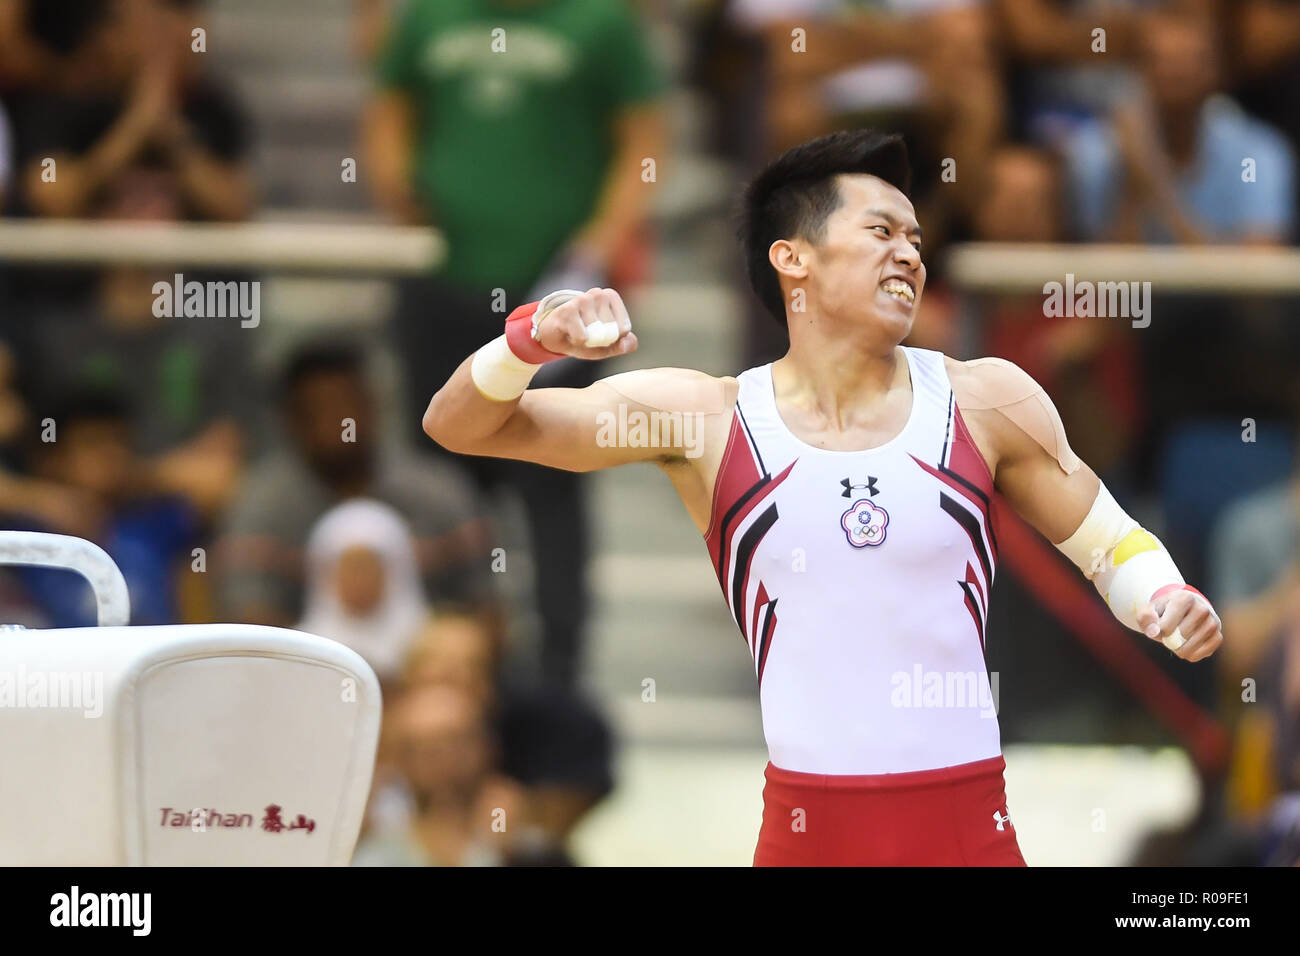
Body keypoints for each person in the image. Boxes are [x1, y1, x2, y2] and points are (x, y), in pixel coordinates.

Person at [421, 128, 1225, 865]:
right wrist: (527, 340)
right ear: (793, 258)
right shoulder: (707, 419)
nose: (909, 254)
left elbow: (1111, 544)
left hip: (967, 831)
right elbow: (462, 425)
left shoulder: (987, 402)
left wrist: (1160, 596)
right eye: (881, 231)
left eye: (915, 238)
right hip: (808, 834)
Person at [363, 0, 668, 688]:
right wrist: (400, 189)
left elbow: (644, 143)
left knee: (554, 479)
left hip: (558, 293)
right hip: (444, 283)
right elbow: (389, 112)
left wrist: (598, 243)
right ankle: (447, 671)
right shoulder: (427, 17)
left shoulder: (602, 23)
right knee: (441, 478)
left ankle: (561, 673)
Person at [298, 498, 431, 688]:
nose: (358, 580)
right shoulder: (299, 651)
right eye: (349, 568)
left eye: (367, 568)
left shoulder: (428, 646)